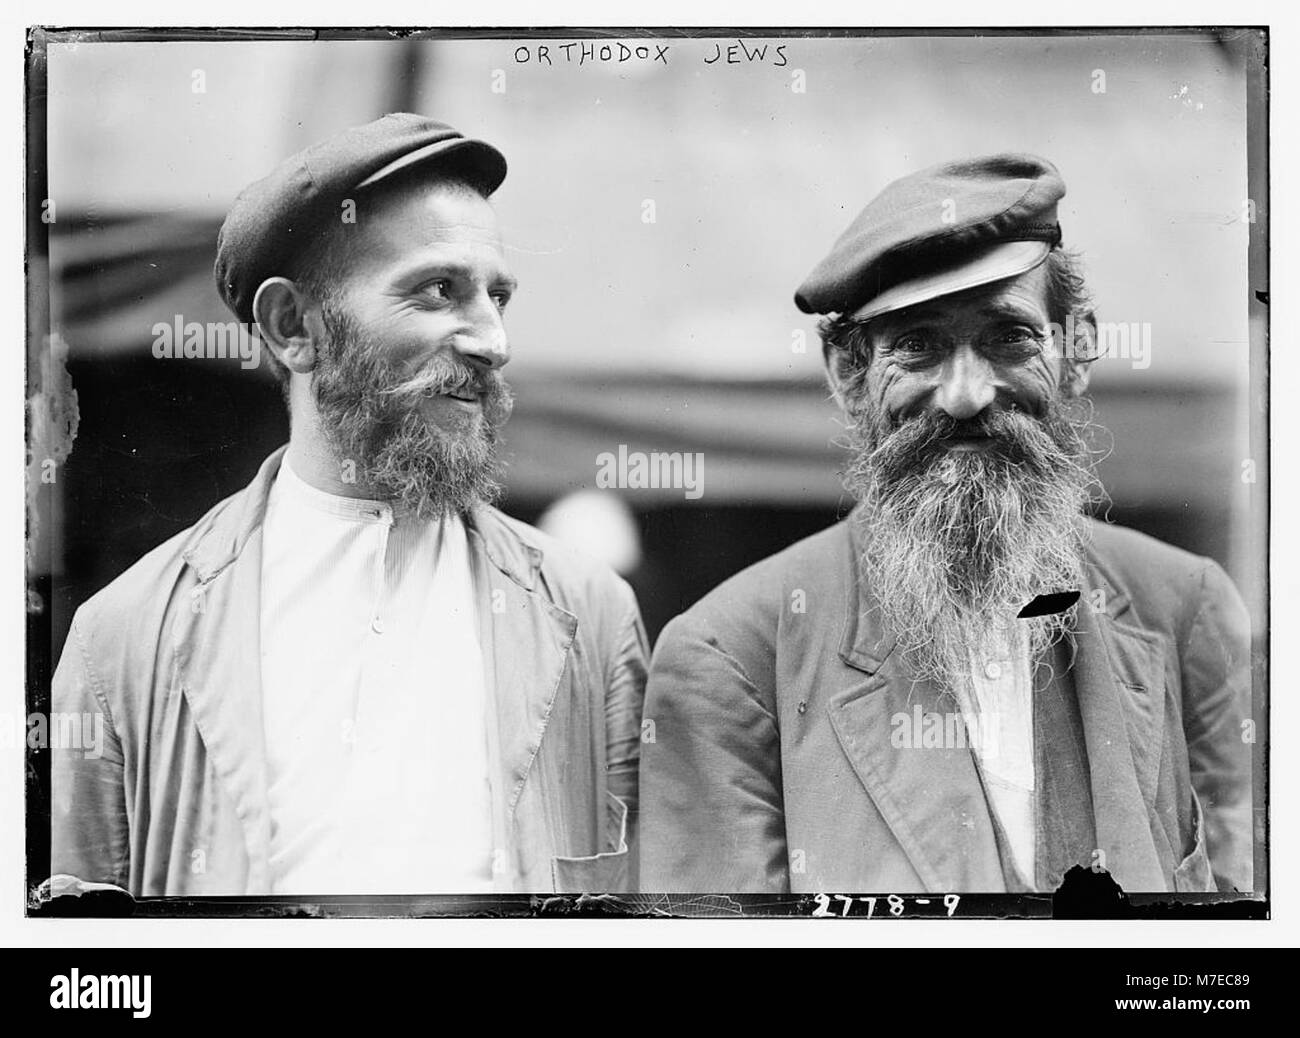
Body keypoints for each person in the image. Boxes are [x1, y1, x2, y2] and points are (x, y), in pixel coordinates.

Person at [50, 113, 647, 896]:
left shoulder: (589, 610)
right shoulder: (123, 638)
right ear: (295, 327)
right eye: (441, 291)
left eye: (498, 296)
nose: (494, 340)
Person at [639, 154, 1252, 895]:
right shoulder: (730, 658)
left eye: (1009, 338)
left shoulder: (1186, 607)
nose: (965, 395)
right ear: (846, 372)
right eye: (920, 346)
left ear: (1078, 347)